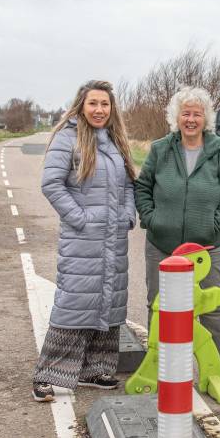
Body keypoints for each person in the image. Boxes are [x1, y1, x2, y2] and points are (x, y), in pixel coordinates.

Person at [32, 80, 137, 403]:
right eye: (93, 103)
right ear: (81, 106)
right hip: (83, 241)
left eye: (104, 104)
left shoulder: (115, 142)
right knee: (74, 305)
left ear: (111, 108)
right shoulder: (68, 138)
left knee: (109, 302)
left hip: (113, 240)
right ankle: (47, 376)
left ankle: (96, 369)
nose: (99, 110)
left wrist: (127, 216)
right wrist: (80, 219)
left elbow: (128, 186)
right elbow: (52, 184)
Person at [135, 85, 220, 380]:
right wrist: (151, 218)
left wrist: (216, 222)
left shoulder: (219, 150)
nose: (191, 119)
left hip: (206, 248)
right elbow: (142, 188)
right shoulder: (160, 149)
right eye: (186, 113)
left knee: (211, 308)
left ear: (205, 118)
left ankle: (217, 365)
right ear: (176, 117)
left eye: (197, 114)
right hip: (162, 243)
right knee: (158, 305)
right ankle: (158, 365)